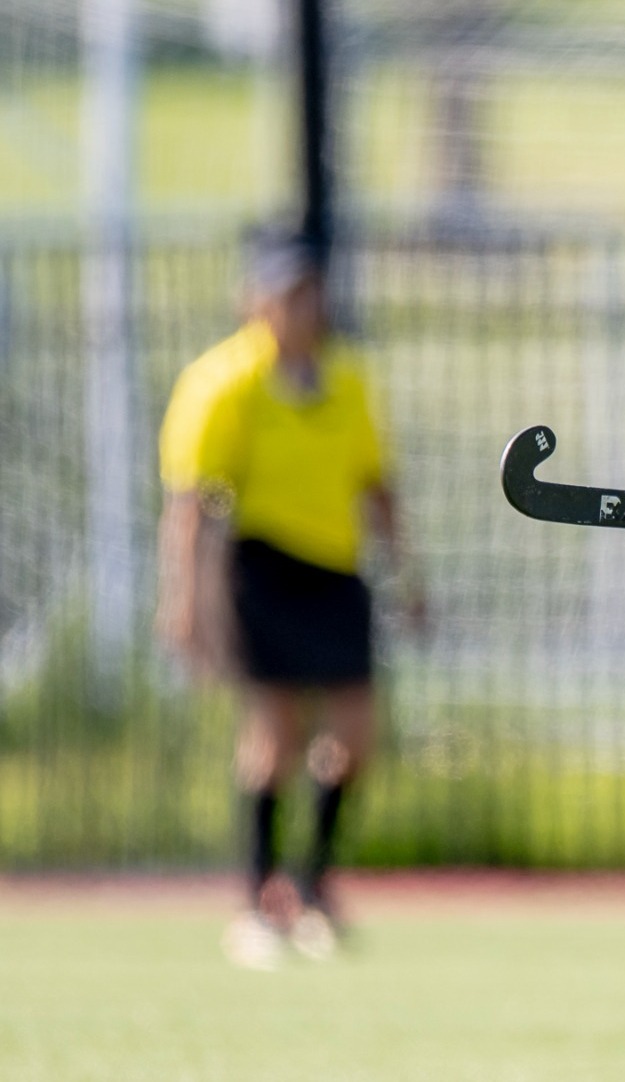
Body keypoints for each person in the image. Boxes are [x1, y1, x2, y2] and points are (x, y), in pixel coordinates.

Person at [156, 230, 422, 970]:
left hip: (335, 571)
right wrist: (180, 599)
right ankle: (254, 902)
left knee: (357, 735)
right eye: (286, 295)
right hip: (260, 569)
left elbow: (377, 485)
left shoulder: (348, 379)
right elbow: (191, 504)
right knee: (273, 735)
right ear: (255, 303)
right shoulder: (222, 383)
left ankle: (310, 887)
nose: (302, 308)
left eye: (309, 293)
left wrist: (409, 577)